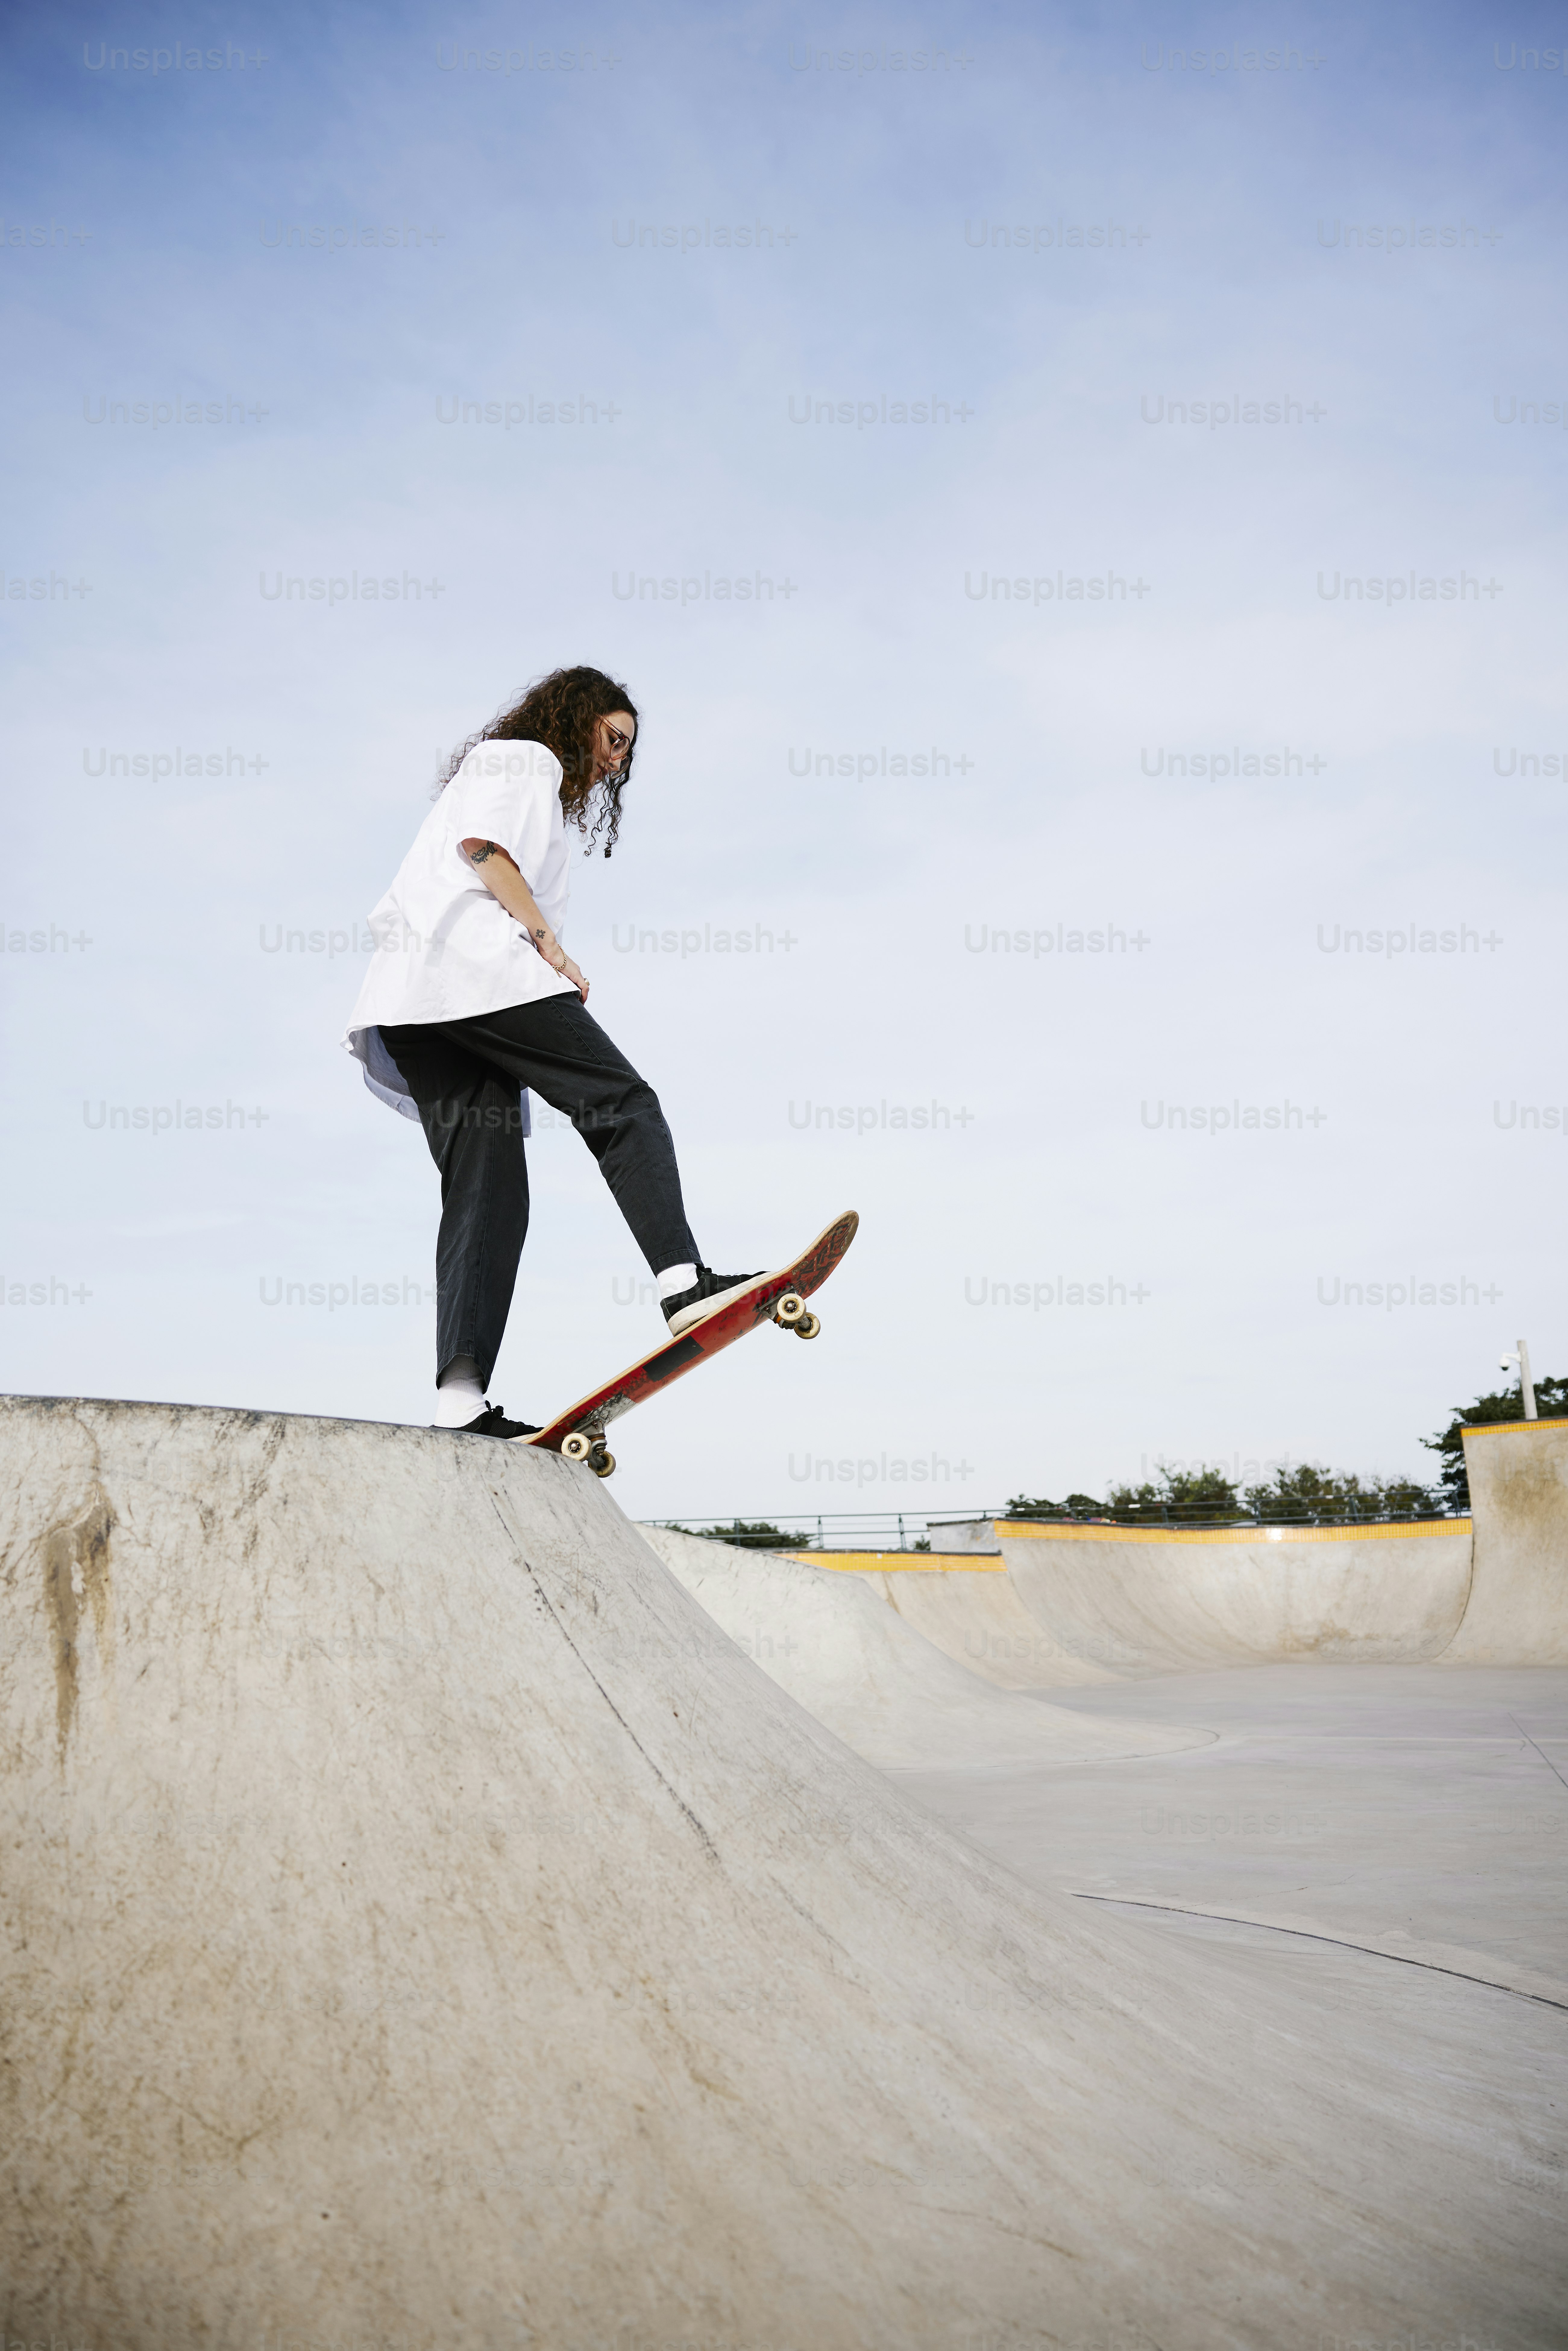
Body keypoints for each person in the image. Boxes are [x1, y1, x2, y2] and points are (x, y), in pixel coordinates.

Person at [344, 665, 759, 1437]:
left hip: (414, 1003)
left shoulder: (494, 766)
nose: (617, 762)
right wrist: (548, 946)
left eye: (628, 753)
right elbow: (483, 849)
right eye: (612, 739)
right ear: (576, 718)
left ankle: (459, 1405)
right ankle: (683, 1284)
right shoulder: (523, 758)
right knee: (621, 1103)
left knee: (486, 1191)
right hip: (474, 970)